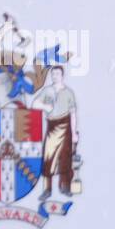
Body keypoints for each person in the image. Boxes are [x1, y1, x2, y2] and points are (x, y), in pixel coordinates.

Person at [33, 65, 79, 198]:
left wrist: (74, 132)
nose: (54, 76)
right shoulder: (47, 91)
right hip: (52, 125)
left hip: (65, 125)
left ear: (62, 75)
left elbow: (73, 113)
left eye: (57, 74)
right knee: (49, 157)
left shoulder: (68, 92)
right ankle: (47, 189)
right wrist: (45, 106)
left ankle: (65, 186)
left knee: (66, 157)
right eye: (53, 74)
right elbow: (34, 104)